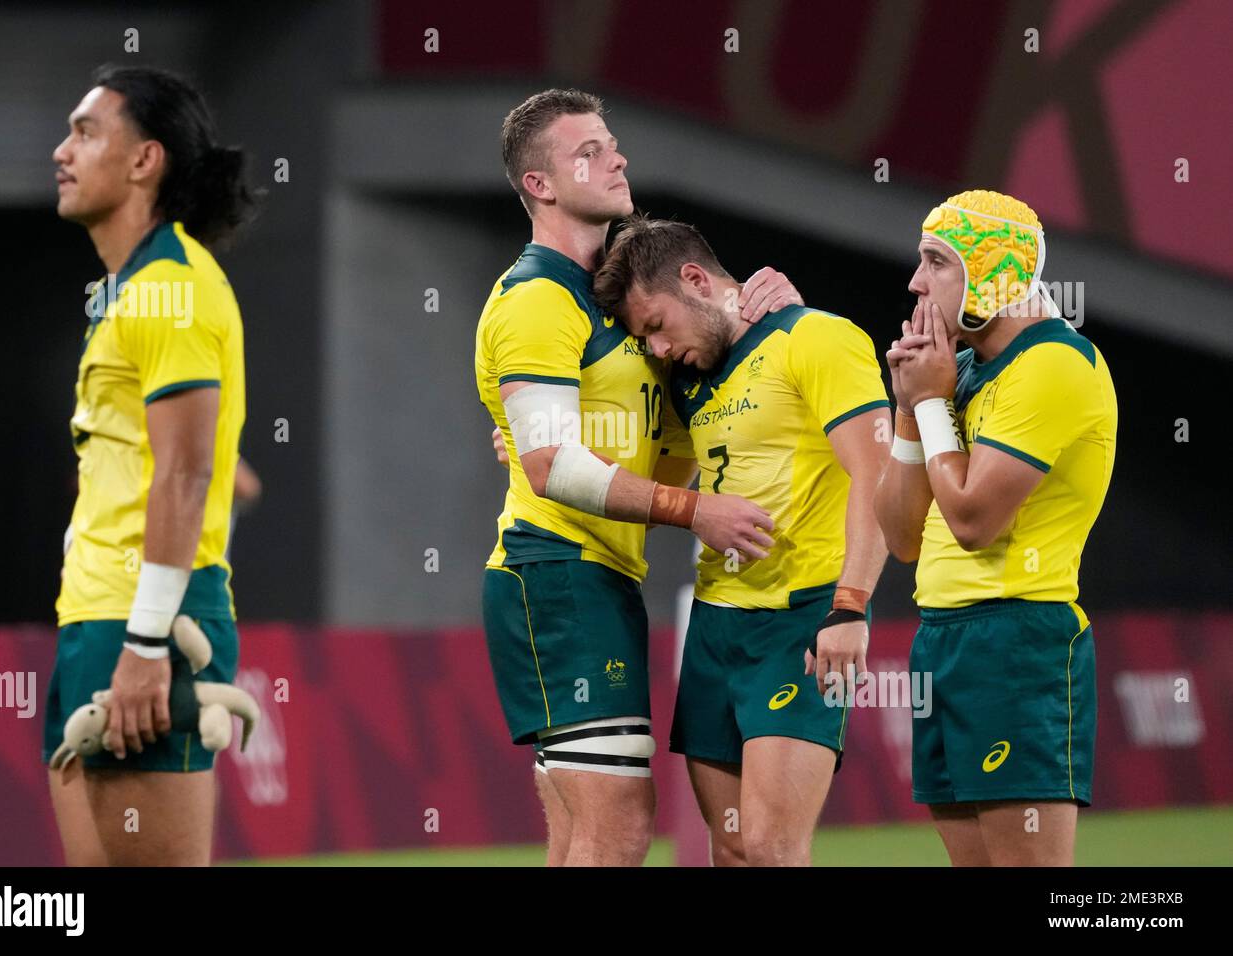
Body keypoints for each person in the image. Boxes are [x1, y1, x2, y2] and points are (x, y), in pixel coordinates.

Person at [476, 89, 800, 866]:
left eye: (614, 142)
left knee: (581, 836)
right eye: (588, 150)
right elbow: (552, 464)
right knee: (617, 828)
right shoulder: (537, 299)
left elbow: (651, 443)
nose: (616, 157)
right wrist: (696, 512)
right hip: (557, 576)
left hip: (593, 578)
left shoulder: (610, 306)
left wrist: (758, 313)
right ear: (540, 186)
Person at [593, 214, 890, 865]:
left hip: (802, 622)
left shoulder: (819, 338)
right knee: (729, 848)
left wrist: (850, 604)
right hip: (715, 627)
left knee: (770, 846)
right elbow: (647, 492)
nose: (659, 349)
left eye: (657, 326)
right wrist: (538, 444)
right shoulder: (689, 383)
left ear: (696, 279)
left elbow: (877, 472)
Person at [43, 64, 258, 866]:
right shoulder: (127, 293)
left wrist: (144, 644)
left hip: (150, 624)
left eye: (86, 131)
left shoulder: (173, 289)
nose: (62, 150)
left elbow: (187, 474)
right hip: (97, 618)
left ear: (145, 161)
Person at [875, 189, 1117, 866]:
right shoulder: (960, 375)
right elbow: (901, 536)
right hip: (942, 636)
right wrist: (907, 410)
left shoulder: (1053, 365)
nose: (916, 281)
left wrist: (929, 405)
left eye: (936, 262)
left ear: (993, 272)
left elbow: (974, 520)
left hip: (1019, 641)